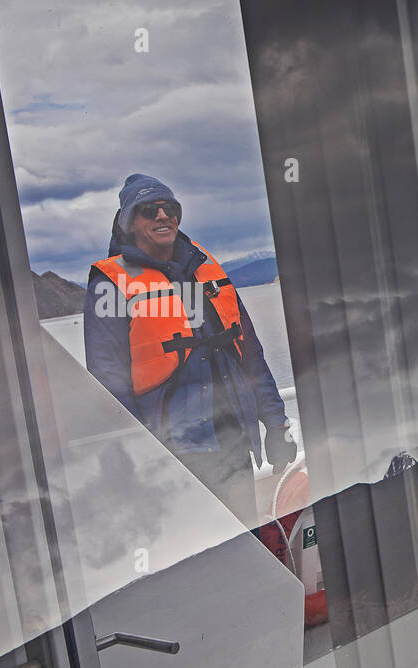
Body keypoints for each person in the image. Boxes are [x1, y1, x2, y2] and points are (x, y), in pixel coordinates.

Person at [84, 174, 297, 528]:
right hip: (176, 456)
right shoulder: (111, 283)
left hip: (235, 444)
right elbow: (109, 384)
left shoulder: (204, 269)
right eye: (149, 210)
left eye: (171, 208)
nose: (163, 216)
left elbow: (250, 356)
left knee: (243, 548)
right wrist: (136, 461)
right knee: (199, 555)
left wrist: (276, 424)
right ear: (128, 222)